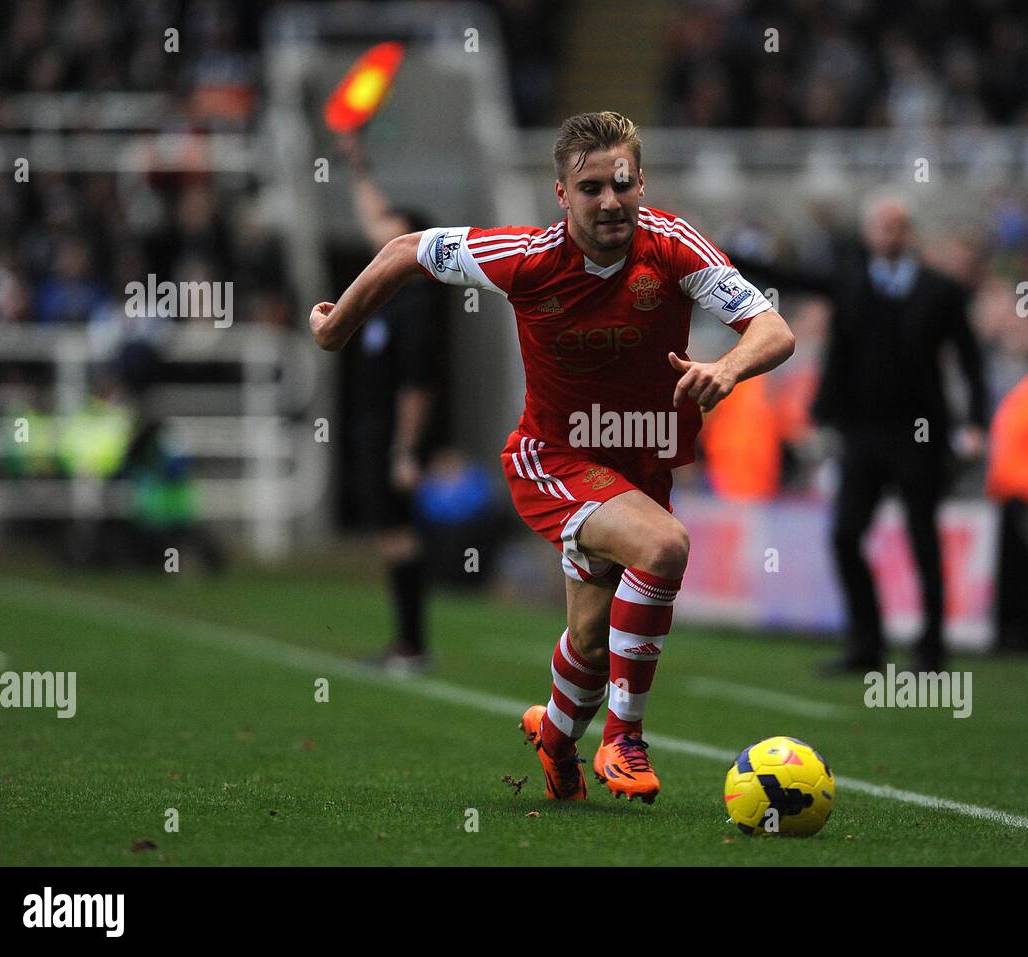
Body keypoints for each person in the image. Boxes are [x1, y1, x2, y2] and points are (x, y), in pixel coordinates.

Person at [309, 112, 795, 804]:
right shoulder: (526, 259)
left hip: (641, 464)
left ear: (641, 182)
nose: (609, 201)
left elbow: (774, 329)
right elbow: (405, 252)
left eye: (621, 184)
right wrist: (334, 331)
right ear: (562, 194)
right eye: (590, 187)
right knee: (665, 546)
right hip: (557, 458)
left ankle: (557, 737)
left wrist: (729, 366)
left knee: (592, 644)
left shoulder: (674, 246)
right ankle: (623, 738)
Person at [740, 197, 987, 674]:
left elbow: (971, 359)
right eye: (883, 226)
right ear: (870, 232)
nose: (891, 234)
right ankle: (866, 645)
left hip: (920, 434)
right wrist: (723, 254)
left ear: (909, 233)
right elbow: (790, 276)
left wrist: (975, 421)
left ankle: (932, 649)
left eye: (899, 226)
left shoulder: (940, 290)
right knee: (845, 535)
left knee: (924, 539)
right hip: (862, 433)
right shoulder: (849, 279)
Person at [339, 134, 448, 674]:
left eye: (389, 232)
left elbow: (418, 384)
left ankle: (412, 646)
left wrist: (406, 449)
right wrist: (358, 163)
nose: (376, 236)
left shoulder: (418, 303)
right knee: (389, 534)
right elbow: (373, 216)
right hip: (375, 430)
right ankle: (406, 644)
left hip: (394, 436)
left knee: (400, 534)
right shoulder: (389, 293)